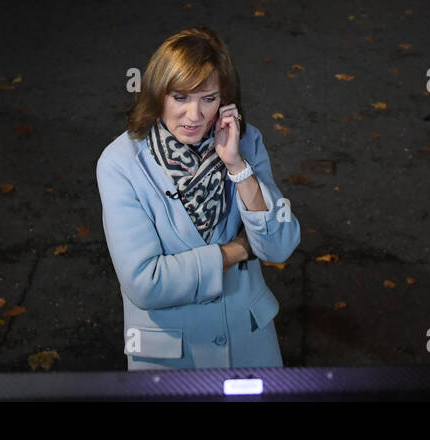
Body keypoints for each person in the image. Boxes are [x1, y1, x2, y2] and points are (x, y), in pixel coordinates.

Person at [97, 25, 300, 369]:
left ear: (225, 100)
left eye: (208, 99)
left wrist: (237, 166)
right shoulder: (120, 163)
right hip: (168, 359)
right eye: (181, 98)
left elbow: (279, 247)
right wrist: (235, 250)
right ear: (157, 93)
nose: (194, 116)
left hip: (249, 346)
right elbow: (146, 284)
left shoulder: (245, 143)